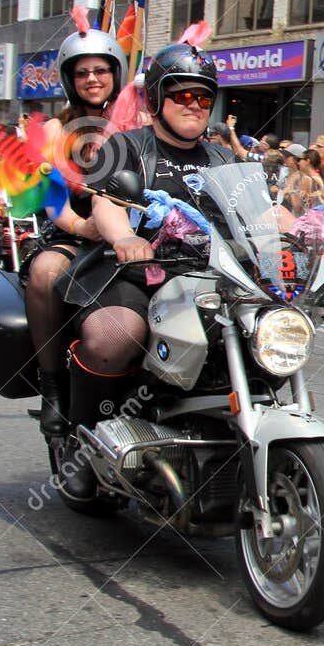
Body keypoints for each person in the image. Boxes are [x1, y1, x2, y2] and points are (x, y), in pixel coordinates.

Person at [56, 43, 236, 498]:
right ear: (156, 99)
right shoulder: (128, 146)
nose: (193, 105)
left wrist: (309, 227)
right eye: (182, 95)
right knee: (113, 337)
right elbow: (106, 201)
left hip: (214, 280)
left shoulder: (223, 159)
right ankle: (80, 441)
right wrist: (123, 238)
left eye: (202, 97)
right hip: (140, 276)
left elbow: (257, 213)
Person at [19, 24, 129, 434]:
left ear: (115, 73)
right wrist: (83, 227)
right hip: (75, 235)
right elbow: (53, 202)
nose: (93, 79)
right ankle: (52, 387)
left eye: (101, 70)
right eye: (82, 73)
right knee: (45, 273)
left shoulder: (136, 123)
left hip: (135, 235)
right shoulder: (54, 131)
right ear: (70, 79)